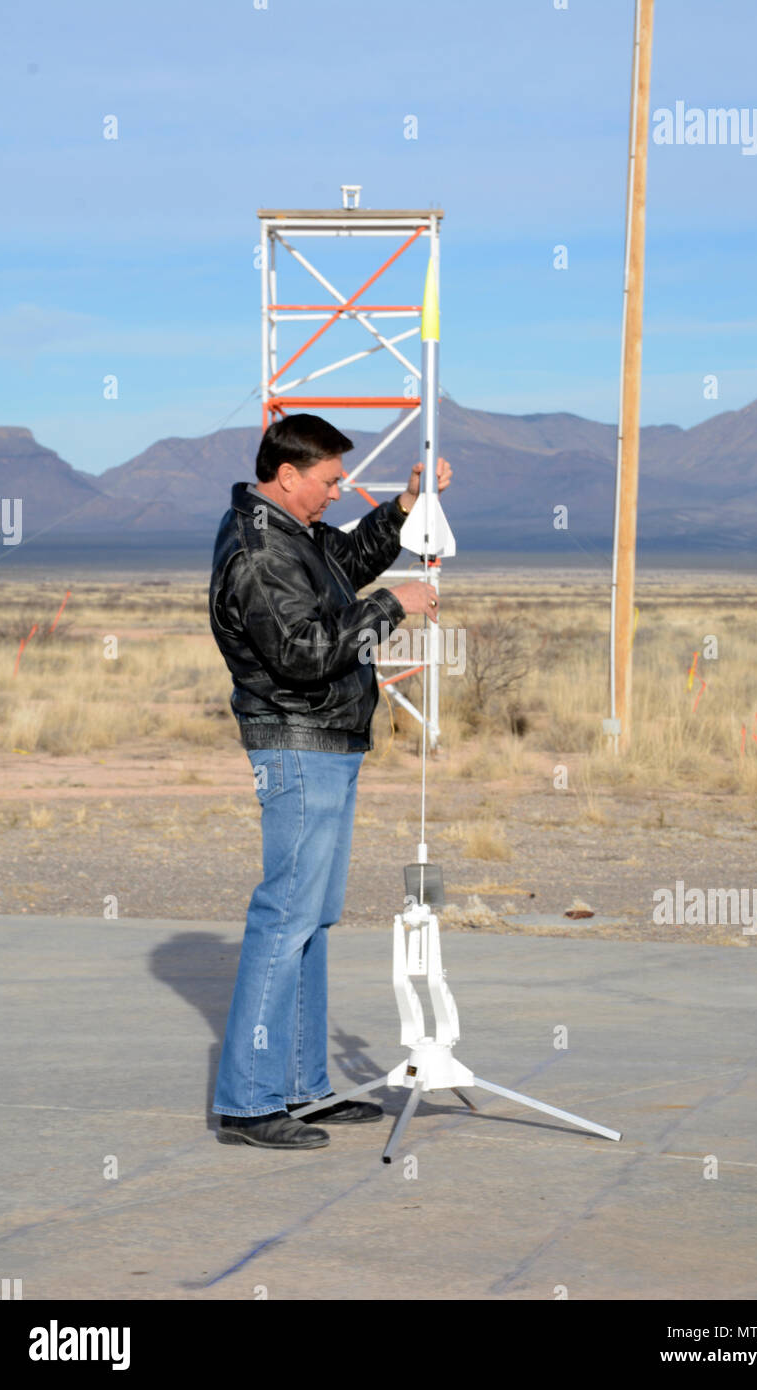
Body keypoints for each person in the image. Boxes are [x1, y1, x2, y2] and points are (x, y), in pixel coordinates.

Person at [208, 413, 452, 1151]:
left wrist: (404, 511)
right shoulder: (257, 551)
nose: (338, 493)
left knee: (311, 918)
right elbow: (304, 655)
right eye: (330, 480)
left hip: (330, 740)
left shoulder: (293, 535)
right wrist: (392, 606)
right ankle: (250, 1101)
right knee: (284, 917)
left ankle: (302, 1089)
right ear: (288, 476)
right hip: (297, 741)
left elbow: (345, 560)